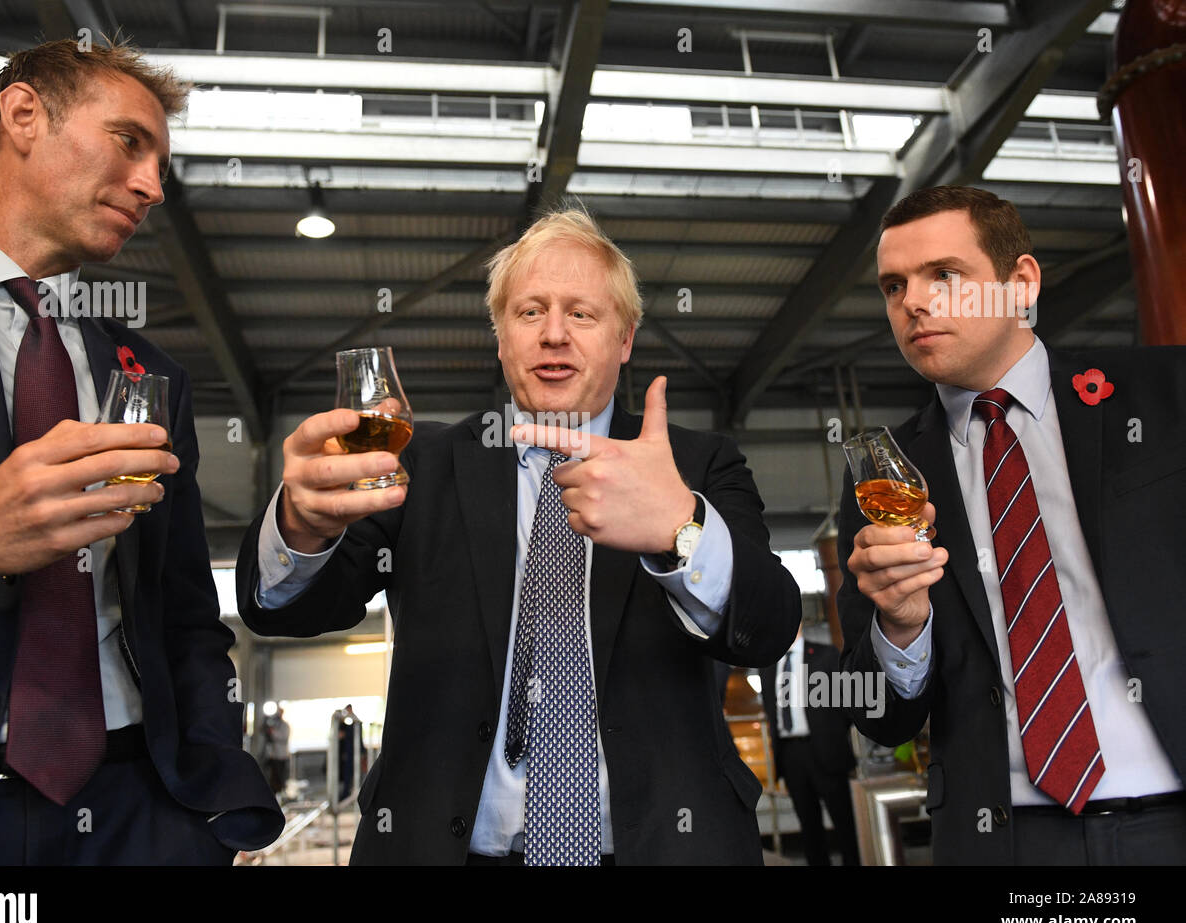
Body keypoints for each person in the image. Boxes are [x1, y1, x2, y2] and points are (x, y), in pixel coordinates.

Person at [236, 210, 801, 865]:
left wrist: (680, 529)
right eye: (529, 312)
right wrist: (300, 528)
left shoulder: (698, 466)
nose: (553, 334)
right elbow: (290, 608)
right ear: (501, 337)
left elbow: (768, 626)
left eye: (582, 314)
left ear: (625, 338)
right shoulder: (422, 467)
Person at [0, 38, 283, 864]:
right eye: (129, 142)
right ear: (24, 115)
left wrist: (215, 803)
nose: (150, 186)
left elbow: (184, 616)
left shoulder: (153, 375)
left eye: (160, 165)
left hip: (140, 809)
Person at [836, 184, 1186, 864]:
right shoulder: (884, 484)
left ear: (1020, 283)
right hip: (1006, 840)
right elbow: (879, 714)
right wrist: (901, 629)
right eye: (893, 285)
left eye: (945, 274)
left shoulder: (1166, 401)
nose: (913, 301)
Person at [758, 627, 860, 866]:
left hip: (826, 748)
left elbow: (847, 701)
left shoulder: (826, 655)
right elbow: (770, 708)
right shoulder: (767, 664)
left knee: (844, 821)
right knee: (808, 824)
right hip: (790, 754)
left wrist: (833, 734)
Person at [263, 704, 291, 798]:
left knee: (280, 776)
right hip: (274, 756)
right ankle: (274, 794)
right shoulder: (274, 724)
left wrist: (273, 732)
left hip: (282, 756)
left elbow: (283, 737)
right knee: (273, 777)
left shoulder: (285, 726)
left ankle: (281, 793)